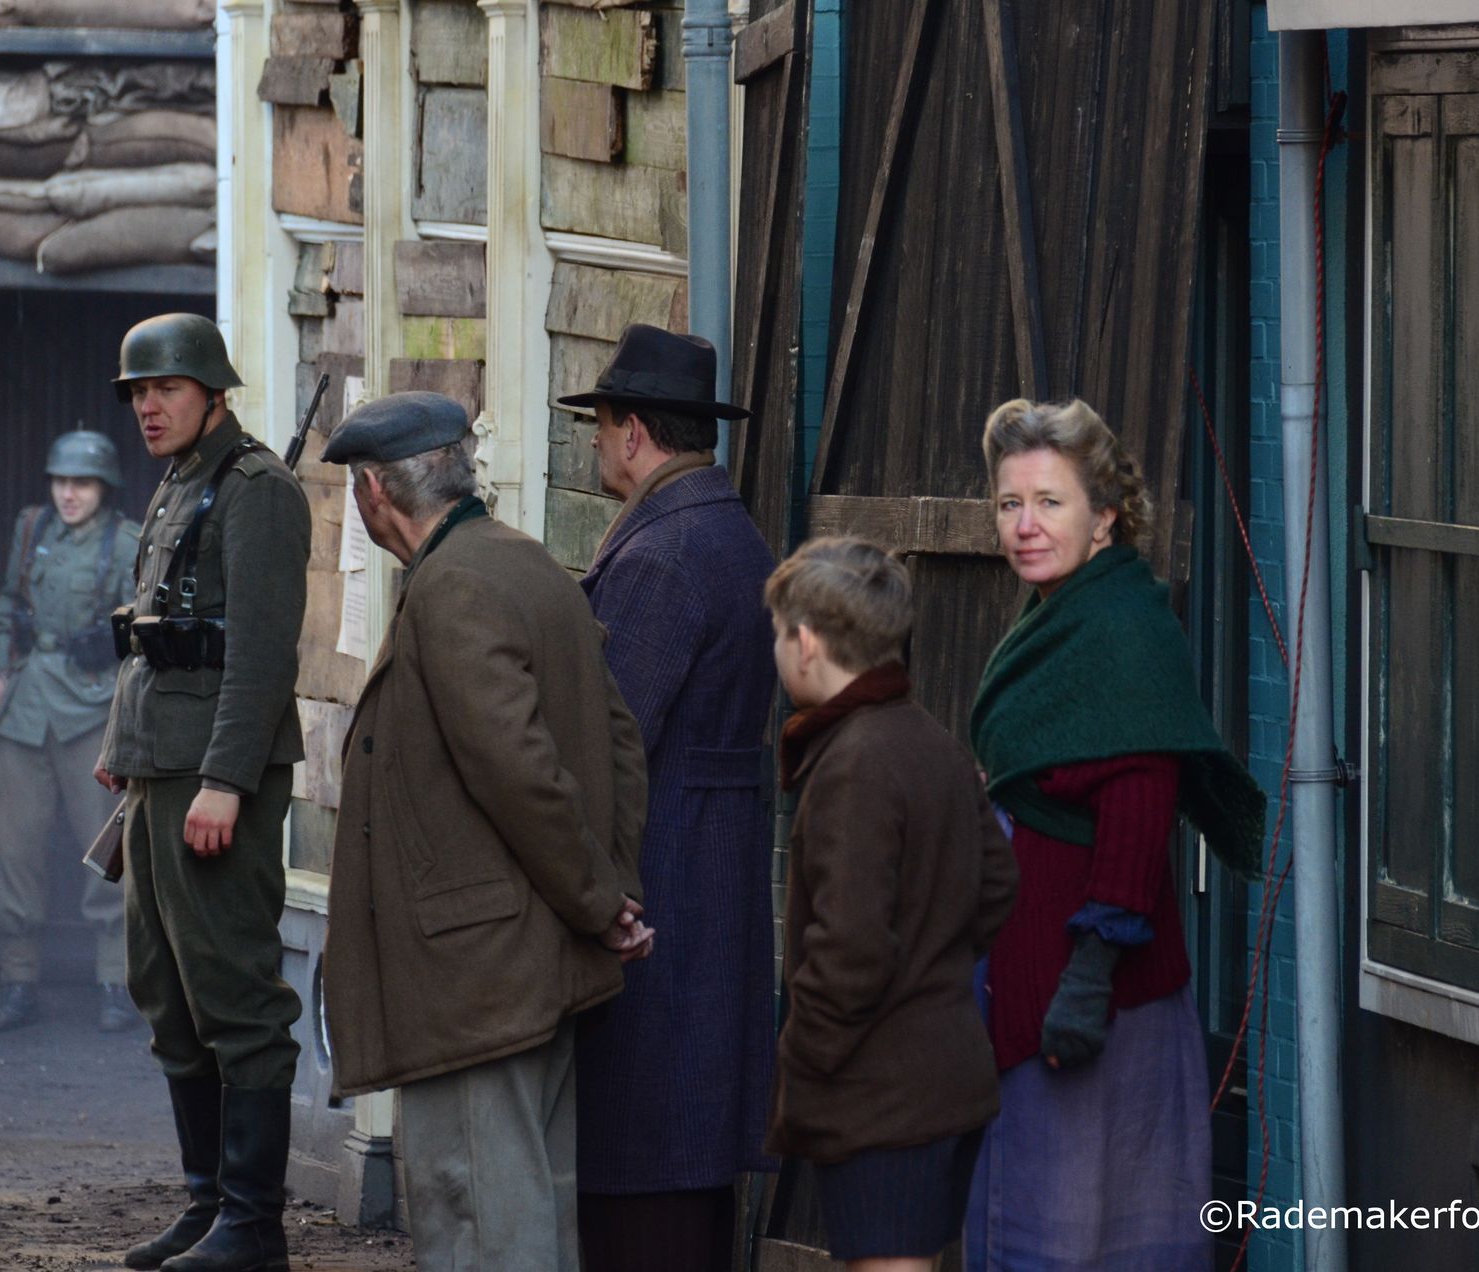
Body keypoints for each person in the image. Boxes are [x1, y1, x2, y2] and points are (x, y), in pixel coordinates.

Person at [316, 391, 653, 1272]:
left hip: (476, 983)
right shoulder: (526, 562)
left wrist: (598, 900)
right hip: (520, 968)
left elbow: (520, 772)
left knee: (481, 1224)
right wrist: (611, 891)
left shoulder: (454, 586)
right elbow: (619, 743)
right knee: (530, 1210)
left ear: (373, 492)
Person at [964, 399, 1266, 1270]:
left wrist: (1090, 974)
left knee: (1080, 1225)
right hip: (1031, 971)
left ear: (1104, 519)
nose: (1024, 525)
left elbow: (1140, 802)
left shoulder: (1126, 630)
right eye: (1008, 503)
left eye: (1049, 503)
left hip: (1089, 995)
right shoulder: (1055, 617)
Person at [557, 323, 778, 1271]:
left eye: (601, 426)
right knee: (685, 1160)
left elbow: (609, 740)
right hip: (710, 880)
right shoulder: (726, 529)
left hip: (661, 893)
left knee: (649, 1169)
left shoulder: (663, 556)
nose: (595, 445)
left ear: (636, 432)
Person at [92, 313, 310, 1272]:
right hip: (158, 772)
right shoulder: (180, 482)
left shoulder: (255, 489)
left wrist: (223, 782)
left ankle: (253, 1226)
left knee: (234, 996)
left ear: (212, 393)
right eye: (138, 392)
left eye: (166, 389)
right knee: (166, 993)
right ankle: (208, 1204)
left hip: (211, 780)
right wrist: (120, 746)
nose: (148, 405)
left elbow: (259, 659)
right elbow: (151, 634)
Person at [764, 537, 1018, 1272]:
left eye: (780, 634)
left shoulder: (856, 762)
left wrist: (802, 1064)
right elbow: (997, 884)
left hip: (884, 1092)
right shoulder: (932, 741)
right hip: (946, 1074)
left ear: (806, 643)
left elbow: (850, 952)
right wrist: (934, 961)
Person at [0, 429, 140, 1034]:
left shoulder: (125, 545)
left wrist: (124, 711)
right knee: (14, 850)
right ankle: (17, 982)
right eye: (61, 482)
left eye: (82, 483)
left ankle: (114, 982)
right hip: (25, 711)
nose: (69, 494)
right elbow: (5, 607)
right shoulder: (31, 532)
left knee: (105, 855)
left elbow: (139, 637)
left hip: (91, 713)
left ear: (103, 487)